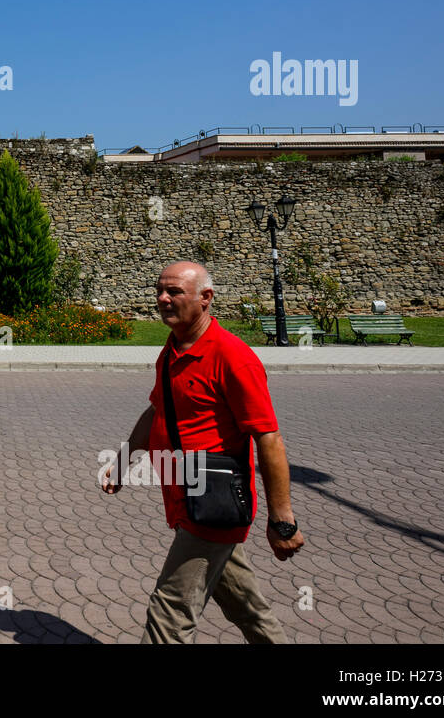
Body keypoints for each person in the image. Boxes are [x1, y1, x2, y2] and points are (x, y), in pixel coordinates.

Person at [100, 261, 305, 643]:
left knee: (170, 610)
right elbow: (158, 409)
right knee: (246, 606)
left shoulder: (233, 357)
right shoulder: (174, 347)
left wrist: (282, 521)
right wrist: (124, 460)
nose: (162, 299)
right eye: (160, 290)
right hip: (187, 499)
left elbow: (269, 438)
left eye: (174, 292)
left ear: (205, 298)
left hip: (214, 506)